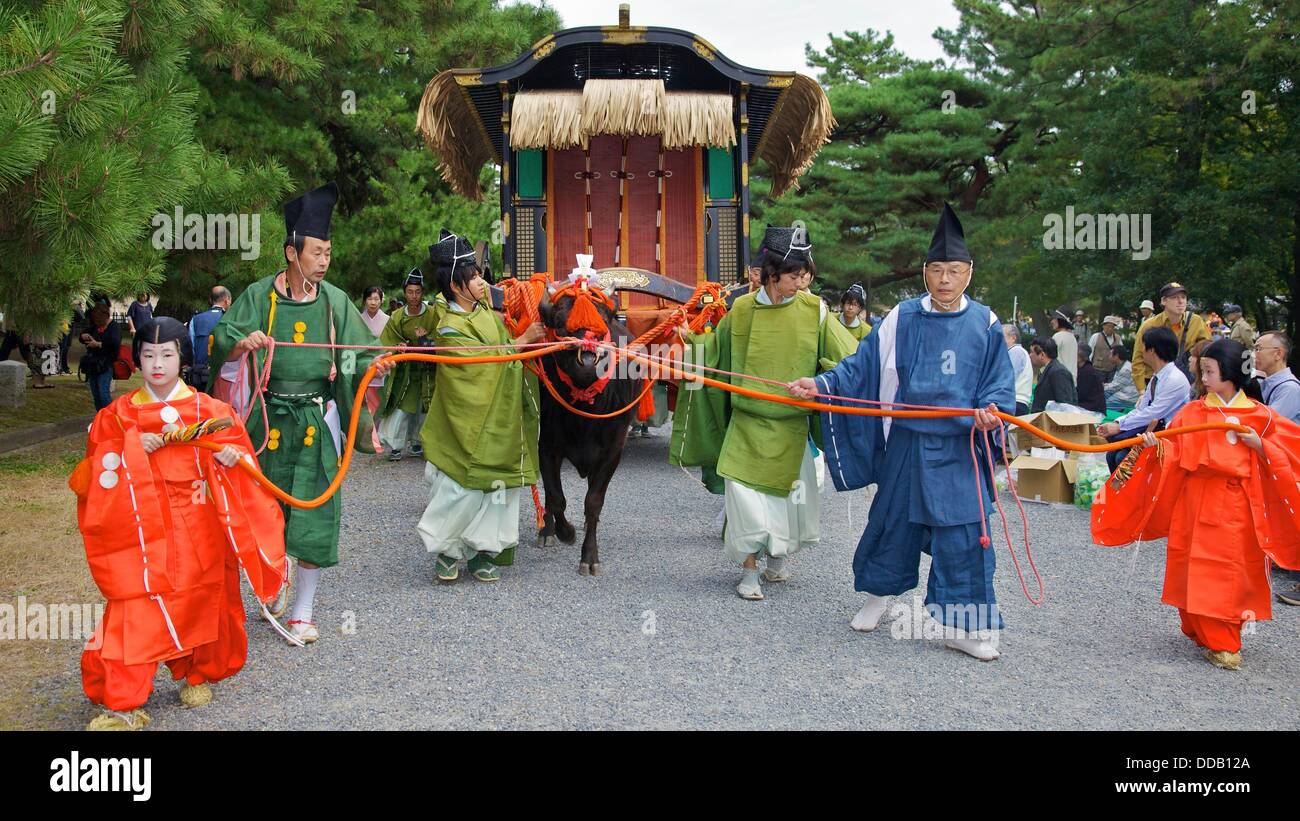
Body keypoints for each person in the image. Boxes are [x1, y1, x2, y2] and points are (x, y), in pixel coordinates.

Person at [790, 203, 1014, 661]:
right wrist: (823, 384)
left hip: (960, 445)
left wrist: (992, 411)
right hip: (909, 440)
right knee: (893, 522)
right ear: (925, 272)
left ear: (969, 272)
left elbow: (997, 382)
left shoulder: (985, 322)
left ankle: (964, 627)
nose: (945, 280)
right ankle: (877, 598)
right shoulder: (903, 316)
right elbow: (863, 363)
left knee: (965, 534)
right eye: (937, 270)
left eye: (954, 271)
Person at [70, 317, 286, 729]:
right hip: (141, 528)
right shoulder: (116, 417)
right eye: (148, 355)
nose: (157, 364)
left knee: (202, 597)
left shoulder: (212, 412)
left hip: (199, 522)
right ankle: (123, 701)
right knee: (136, 607)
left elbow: (245, 463)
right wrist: (130, 448)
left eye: (167, 354)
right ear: (136, 360)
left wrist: (230, 459)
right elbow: (92, 476)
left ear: (182, 359)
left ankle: (197, 671)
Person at [207, 182, 378, 645]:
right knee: (266, 511)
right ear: (291, 252)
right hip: (267, 420)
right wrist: (242, 345)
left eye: (328, 252)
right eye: (317, 252)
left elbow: (357, 356)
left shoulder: (335, 300)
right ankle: (273, 580)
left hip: (316, 420)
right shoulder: (258, 297)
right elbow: (220, 342)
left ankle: (304, 610)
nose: (324, 260)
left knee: (317, 513)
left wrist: (373, 365)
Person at [673, 224, 856, 601]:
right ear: (771, 273)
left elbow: (849, 358)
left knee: (788, 504)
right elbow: (716, 352)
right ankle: (749, 571)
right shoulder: (741, 309)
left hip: (791, 426)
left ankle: (777, 557)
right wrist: (690, 342)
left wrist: (820, 381)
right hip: (747, 423)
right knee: (744, 502)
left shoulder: (816, 310)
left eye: (804, 275)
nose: (801, 282)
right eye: (793, 275)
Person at [1091, 339, 1299, 670]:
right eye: (1203, 371)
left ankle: (1225, 641)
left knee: (1232, 573)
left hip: (1238, 507)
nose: (1203, 378)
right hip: (1196, 501)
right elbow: (1175, 451)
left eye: (1209, 371)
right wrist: (1155, 447)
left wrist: (1261, 445)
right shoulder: (1193, 412)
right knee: (1195, 568)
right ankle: (1204, 630)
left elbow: (1291, 452)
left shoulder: (1261, 416)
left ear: (1231, 373)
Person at [379, 230, 543, 583]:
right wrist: (522, 344)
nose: (482, 282)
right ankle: (448, 552)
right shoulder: (450, 327)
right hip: (465, 424)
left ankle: (484, 551)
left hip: (499, 420)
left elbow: (501, 351)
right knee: (460, 490)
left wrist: (521, 343)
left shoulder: (487, 314)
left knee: (499, 489)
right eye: (475, 277)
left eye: (481, 275)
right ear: (456, 286)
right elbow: (478, 367)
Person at [1098, 326, 1190, 473]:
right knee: (1113, 455)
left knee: (1121, 457)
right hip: (1151, 433)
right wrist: (1118, 422)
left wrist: (1119, 427)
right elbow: (1142, 409)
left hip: (1167, 439)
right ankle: (1119, 495)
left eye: (1143, 346)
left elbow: (1153, 413)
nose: (1140, 350)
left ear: (1152, 350)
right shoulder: (1157, 377)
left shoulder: (1174, 379)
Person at [377, 269, 440, 461]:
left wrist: (425, 339)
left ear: (423, 292)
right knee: (402, 407)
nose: (414, 296)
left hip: (427, 367)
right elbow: (388, 340)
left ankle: (418, 443)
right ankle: (395, 445)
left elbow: (441, 338)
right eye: (410, 291)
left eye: (418, 291)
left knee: (423, 407)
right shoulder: (396, 316)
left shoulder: (432, 314)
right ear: (405, 292)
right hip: (405, 370)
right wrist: (398, 346)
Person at [1131, 282, 1211, 392]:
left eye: (1183, 297)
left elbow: (1207, 351)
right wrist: (1141, 390)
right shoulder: (1149, 325)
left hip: (1186, 380)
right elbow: (1138, 358)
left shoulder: (1196, 321)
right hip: (1156, 381)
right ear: (1164, 301)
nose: (1181, 301)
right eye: (1174, 297)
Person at [186, 286, 232, 392]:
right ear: (227, 300)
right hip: (223, 375)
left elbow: (190, 346)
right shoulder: (230, 319)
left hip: (199, 375)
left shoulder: (196, 319)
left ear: (211, 300)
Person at [359, 286, 388, 452]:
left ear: (381, 300)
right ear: (364, 301)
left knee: (378, 402)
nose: (373, 302)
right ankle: (364, 437)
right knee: (364, 402)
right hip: (363, 363)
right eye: (370, 299)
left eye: (376, 299)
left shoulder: (387, 320)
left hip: (382, 363)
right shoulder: (357, 319)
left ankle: (375, 436)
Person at [80, 303, 121, 410]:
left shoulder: (114, 327)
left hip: (106, 363)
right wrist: (83, 336)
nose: (98, 323)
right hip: (93, 363)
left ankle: (112, 416)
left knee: (103, 392)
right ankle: (100, 417)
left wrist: (98, 344)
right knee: (95, 393)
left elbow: (115, 345)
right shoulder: (95, 326)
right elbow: (84, 335)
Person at [1028, 336, 1076, 413]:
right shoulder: (1047, 370)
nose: (1030, 355)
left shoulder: (1058, 372)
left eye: (1032, 352)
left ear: (1042, 355)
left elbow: (1065, 405)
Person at [1004, 324, 1032, 416]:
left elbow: (1007, 377)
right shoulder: (1018, 351)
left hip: (1015, 401)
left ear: (1013, 338)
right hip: (1016, 402)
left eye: (1001, 336)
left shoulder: (1016, 351)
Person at [1104, 345, 1138, 412]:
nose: (1108, 357)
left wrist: (1101, 386)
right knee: (1101, 395)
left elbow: (1115, 387)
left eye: (1110, 354)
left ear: (1116, 356)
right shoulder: (1121, 365)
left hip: (1128, 397)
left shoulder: (1126, 369)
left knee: (1103, 406)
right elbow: (1116, 384)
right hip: (1123, 392)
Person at [1049, 310, 1078, 384]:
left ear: (1060, 321)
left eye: (1054, 318)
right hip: (1072, 379)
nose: (1052, 321)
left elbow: (1050, 357)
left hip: (1060, 379)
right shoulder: (1072, 337)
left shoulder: (1058, 336)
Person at [1075, 349, 1106, 414]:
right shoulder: (1083, 369)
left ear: (1081, 358)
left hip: (1093, 407)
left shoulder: (1087, 372)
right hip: (1088, 403)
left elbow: (1081, 393)